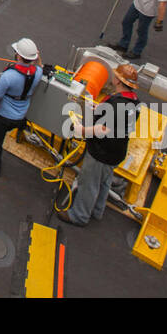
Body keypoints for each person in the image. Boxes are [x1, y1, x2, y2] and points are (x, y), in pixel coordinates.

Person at [58, 65, 140, 226]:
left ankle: (79, 216)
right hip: (116, 151)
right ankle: (97, 210)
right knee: (104, 182)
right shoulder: (134, 101)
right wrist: (102, 109)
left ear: (118, 81)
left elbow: (103, 129)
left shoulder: (116, 104)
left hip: (101, 152)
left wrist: (81, 130)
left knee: (88, 183)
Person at [0, 38, 43, 177]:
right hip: (20, 115)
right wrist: (37, 57)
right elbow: (40, 66)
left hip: (2, 116)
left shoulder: (9, 76)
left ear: (18, 56)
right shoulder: (37, 73)